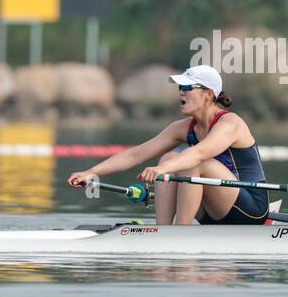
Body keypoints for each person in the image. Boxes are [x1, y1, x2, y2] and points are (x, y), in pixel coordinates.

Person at [67, 64, 268, 225]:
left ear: (208, 94)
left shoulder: (230, 123)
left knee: (188, 162)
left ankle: (179, 232)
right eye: (180, 87)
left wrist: (161, 170)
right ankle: (162, 230)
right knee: (169, 158)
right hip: (212, 210)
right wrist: (92, 172)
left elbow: (198, 154)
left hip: (250, 208)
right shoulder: (182, 128)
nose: (181, 92)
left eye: (188, 87)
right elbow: (135, 155)